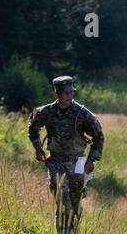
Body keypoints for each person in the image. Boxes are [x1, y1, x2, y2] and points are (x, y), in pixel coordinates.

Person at [27, 76, 104, 207]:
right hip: (56, 160)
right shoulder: (46, 112)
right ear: (56, 93)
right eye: (66, 92)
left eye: (72, 92)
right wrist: (38, 148)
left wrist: (91, 159)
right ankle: (63, 225)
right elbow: (32, 127)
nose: (70, 95)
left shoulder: (82, 113)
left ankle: (72, 225)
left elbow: (99, 135)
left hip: (78, 162)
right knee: (61, 198)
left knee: (76, 202)